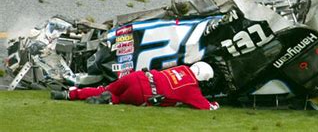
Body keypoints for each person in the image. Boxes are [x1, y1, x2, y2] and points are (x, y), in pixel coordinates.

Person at [51, 62, 220, 110]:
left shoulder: (182, 67)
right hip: (144, 93)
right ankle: (110, 100)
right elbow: (206, 106)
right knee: (119, 99)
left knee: (103, 89)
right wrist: (216, 104)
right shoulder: (192, 89)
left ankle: (68, 94)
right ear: (203, 79)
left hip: (138, 76)